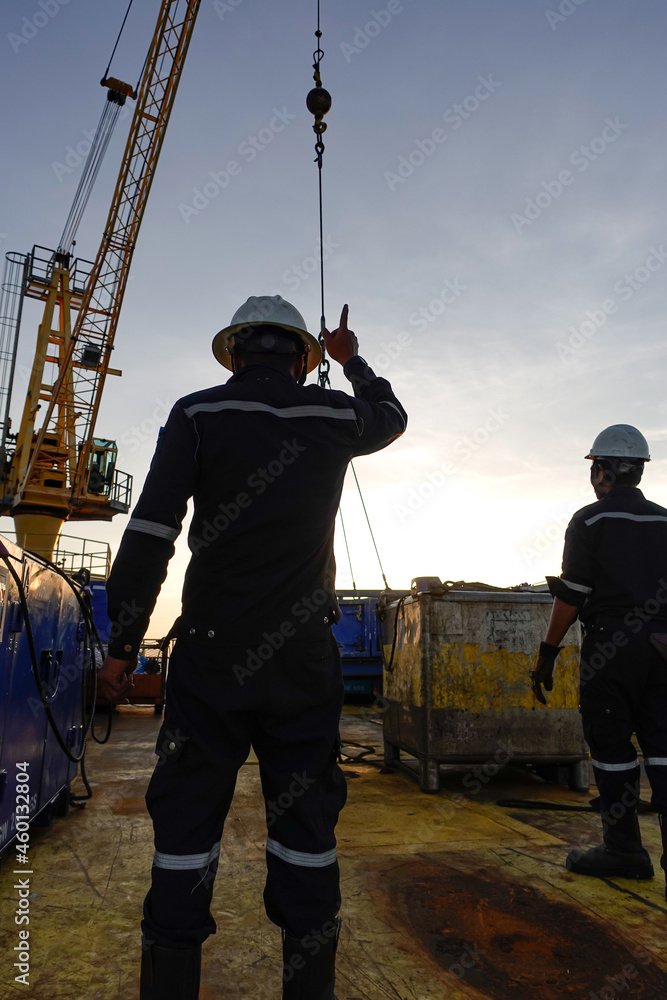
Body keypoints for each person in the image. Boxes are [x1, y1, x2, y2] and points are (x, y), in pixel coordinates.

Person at [97, 295, 407, 1000]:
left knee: (186, 824)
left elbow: (151, 532)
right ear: (301, 359)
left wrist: (122, 644)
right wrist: (351, 359)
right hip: (302, 659)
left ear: (233, 353)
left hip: (212, 657)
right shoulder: (334, 415)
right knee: (305, 828)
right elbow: (391, 415)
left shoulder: (198, 413)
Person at [531, 424, 667, 891]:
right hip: (663, 647)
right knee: (664, 746)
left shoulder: (589, 521)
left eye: (595, 469)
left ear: (603, 471)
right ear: (640, 471)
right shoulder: (665, 522)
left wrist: (547, 653)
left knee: (611, 748)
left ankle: (624, 851)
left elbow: (572, 593)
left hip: (613, 648)